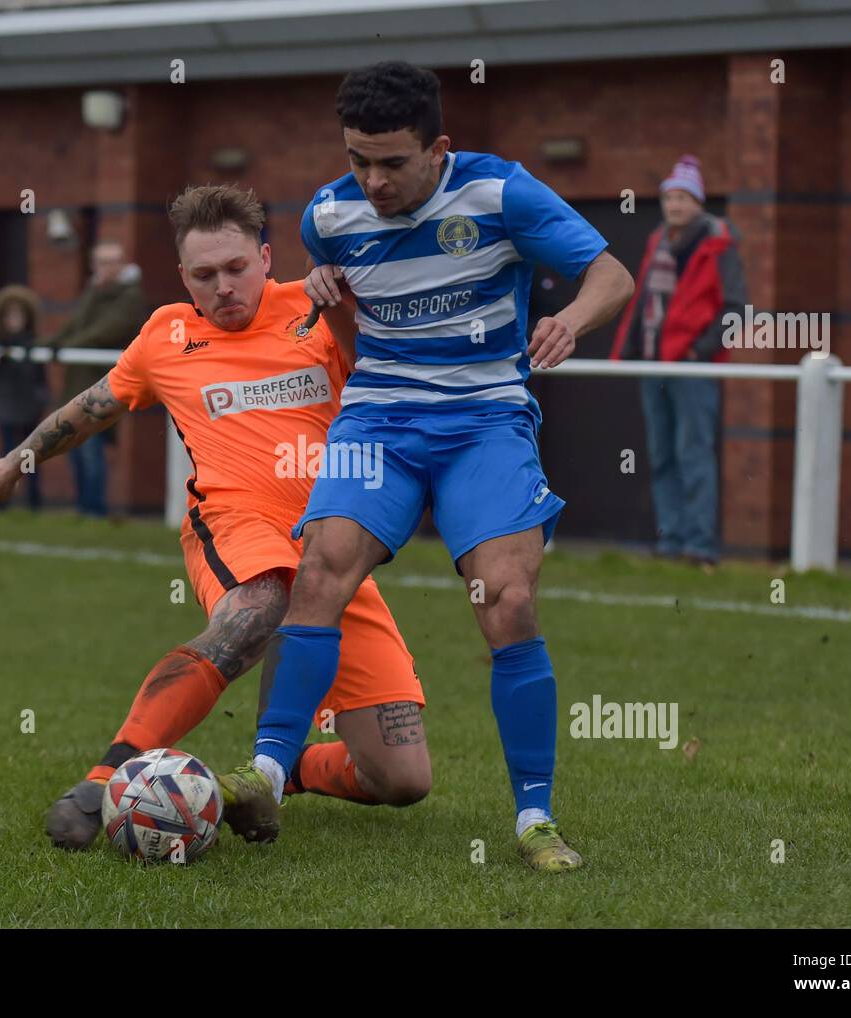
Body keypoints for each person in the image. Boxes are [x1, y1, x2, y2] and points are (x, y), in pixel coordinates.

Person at [217, 61, 633, 872]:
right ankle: (266, 768)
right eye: (357, 159)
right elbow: (346, 342)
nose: (372, 180)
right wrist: (330, 306)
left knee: (507, 602)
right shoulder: (327, 218)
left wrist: (572, 320)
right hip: (381, 420)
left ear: (439, 148)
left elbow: (610, 275)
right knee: (321, 573)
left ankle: (535, 820)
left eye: (392, 163)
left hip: (485, 423)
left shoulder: (500, 195)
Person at [0, 185, 430, 850]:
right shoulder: (165, 335)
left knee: (402, 777)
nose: (224, 287)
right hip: (236, 524)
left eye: (237, 268)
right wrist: (16, 461)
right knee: (264, 602)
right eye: (205, 276)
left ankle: (279, 771)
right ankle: (104, 780)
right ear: (185, 278)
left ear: (267, 259)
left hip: (334, 544)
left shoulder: (317, 310)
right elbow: (91, 408)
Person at [610, 154, 746, 571]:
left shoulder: (719, 241)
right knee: (662, 454)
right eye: (670, 197)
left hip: (691, 369)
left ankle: (700, 546)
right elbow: (644, 301)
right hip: (655, 366)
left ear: (699, 203)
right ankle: (671, 541)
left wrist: (697, 352)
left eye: (684, 197)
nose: (675, 205)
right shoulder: (659, 240)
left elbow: (735, 309)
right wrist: (629, 352)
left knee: (694, 454)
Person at [51, 242, 148, 517]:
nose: (108, 268)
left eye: (113, 262)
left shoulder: (130, 297)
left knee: (92, 447)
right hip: (78, 380)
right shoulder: (93, 292)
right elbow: (76, 324)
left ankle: (95, 508)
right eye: (103, 262)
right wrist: (53, 343)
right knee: (73, 443)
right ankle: (83, 505)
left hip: (106, 384)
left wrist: (69, 345)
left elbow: (107, 330)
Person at [0, 284, 48, 511]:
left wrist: (40, 397)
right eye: (10, 315)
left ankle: (33, 500)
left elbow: (41, 376)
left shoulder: (33, 341)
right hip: (5, 404)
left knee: (30, 455)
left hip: (29, 405)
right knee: (7, 452)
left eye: (19, 315)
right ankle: (2, 499)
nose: (15, 320)